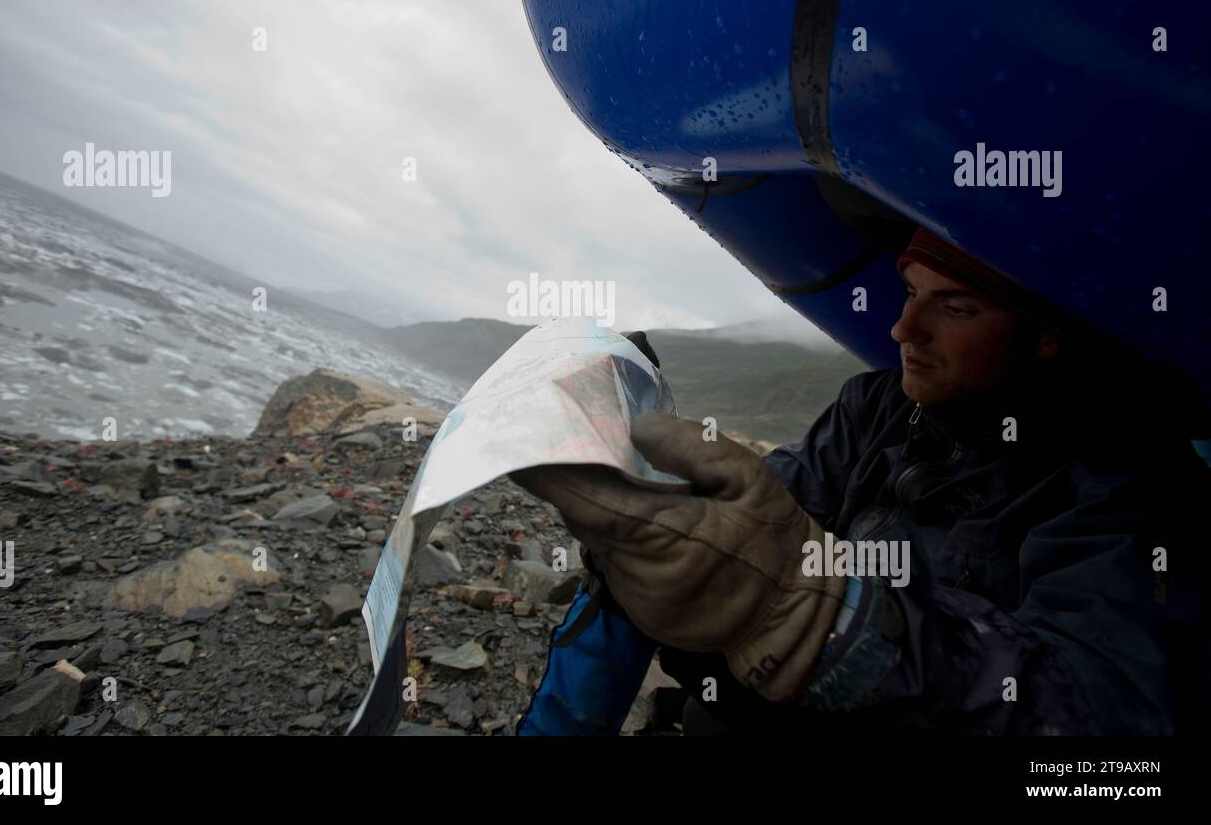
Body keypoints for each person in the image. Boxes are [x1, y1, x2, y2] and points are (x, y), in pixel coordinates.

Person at [511, 227, 1210, 735]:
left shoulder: (1132, 482)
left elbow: (1111, 731)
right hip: (747, 715)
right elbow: (771, 502)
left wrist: (823, 619)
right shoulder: (875, 407)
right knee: (647, 557)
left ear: (1046, 335)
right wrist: (642, 472)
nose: (905, 326)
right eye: (910, 293)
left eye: (955, 307)